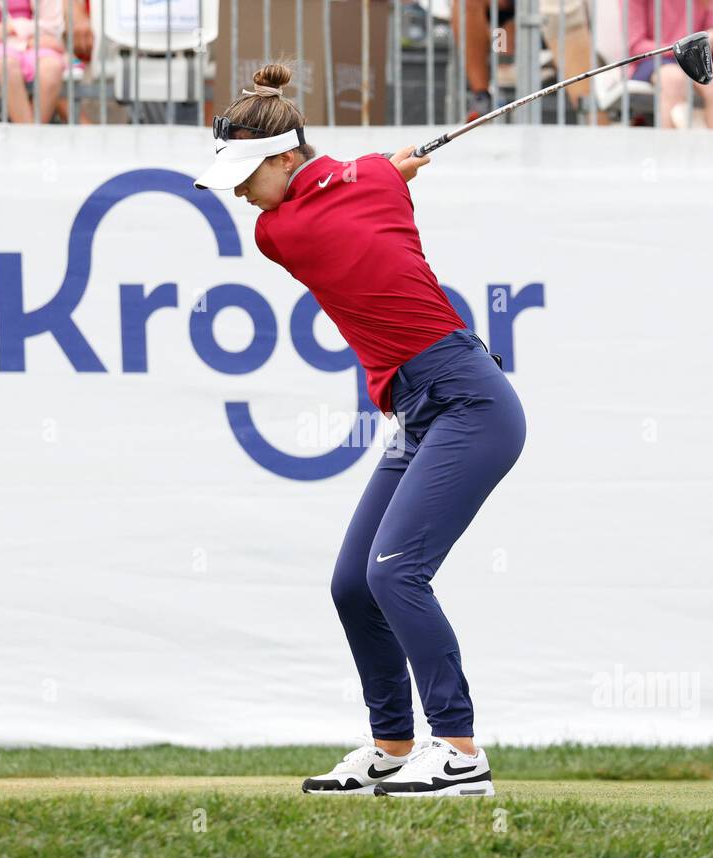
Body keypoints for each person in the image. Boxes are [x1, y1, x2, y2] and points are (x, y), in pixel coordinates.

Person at [194, 62, 528, 798]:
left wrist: (388, 170)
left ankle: (461, 751)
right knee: (354, 583)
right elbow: (358, 182)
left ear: (286, 157)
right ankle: (390, 745)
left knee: (395, 571)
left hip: (470, 400)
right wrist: (390, 170)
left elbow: (348, 188)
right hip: (421, 409)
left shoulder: (294, 223)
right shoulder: (330, 202)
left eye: (250, 174)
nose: (243, 195)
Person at [627, 0, 713, 127]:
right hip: (650, 60)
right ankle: (673, 146)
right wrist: (683, 49)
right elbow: (636, 46)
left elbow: (710, 46)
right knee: (673, 79)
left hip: (692, 58)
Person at [0, 0, 66, 123]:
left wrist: (9, 28)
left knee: (52, 67)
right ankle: (33, 138)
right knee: (7, 65)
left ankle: (28, 137)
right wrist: (26, 40)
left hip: (33, 47)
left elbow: (52, 28)